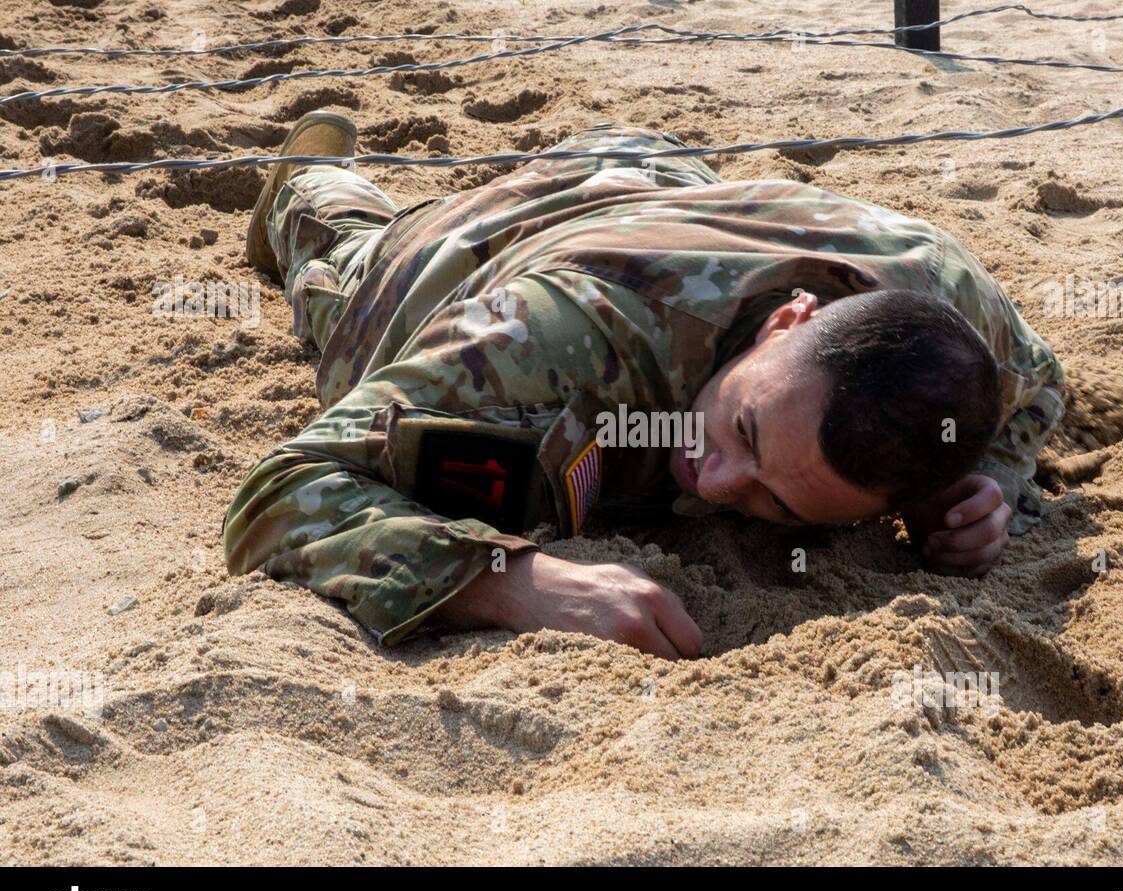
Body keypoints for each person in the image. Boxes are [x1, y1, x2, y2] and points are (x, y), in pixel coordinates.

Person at [223, 112, 1065, 660]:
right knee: (344, 270)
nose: (715, 479)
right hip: (457, 257)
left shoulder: (953, 307)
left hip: (657, 182)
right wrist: (505, 582)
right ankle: (309, 189)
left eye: (777, 506)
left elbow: (1038, 394)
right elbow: (283, 490)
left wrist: (978, 486)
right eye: (744, 430)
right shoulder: (535, 352)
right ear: (789, 321)